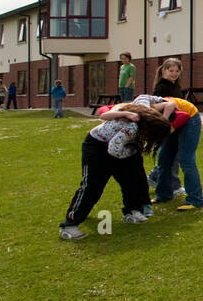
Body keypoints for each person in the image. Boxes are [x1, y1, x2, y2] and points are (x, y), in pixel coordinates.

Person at [59, 100, 171, 240]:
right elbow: (114, 150)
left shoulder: (144, 112)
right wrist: (131, 152)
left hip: (123, 146)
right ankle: (70, 225)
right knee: (93, 186)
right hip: (98, 147)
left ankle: (132, 211)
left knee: (133, 179)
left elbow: (150, 98)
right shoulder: (132, 129)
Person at [147, 90, 203, 211]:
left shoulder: (151, 108)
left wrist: (163, 121)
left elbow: (171, 105)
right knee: (164, 159)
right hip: (174, 120)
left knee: (186, 160)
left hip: (190, 119)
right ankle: (163, 195)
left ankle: (196, 200)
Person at [147, 57, 184, 195]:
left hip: (177, 123)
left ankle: (153, 177)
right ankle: (174, 185)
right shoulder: (162, 87)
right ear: (164, 71)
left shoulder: (175, 86)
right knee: (171, 154)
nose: (174, 73)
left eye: (177, 71)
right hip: (167, 124)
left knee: (170, 154)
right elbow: (159, 106)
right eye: (171, 70)